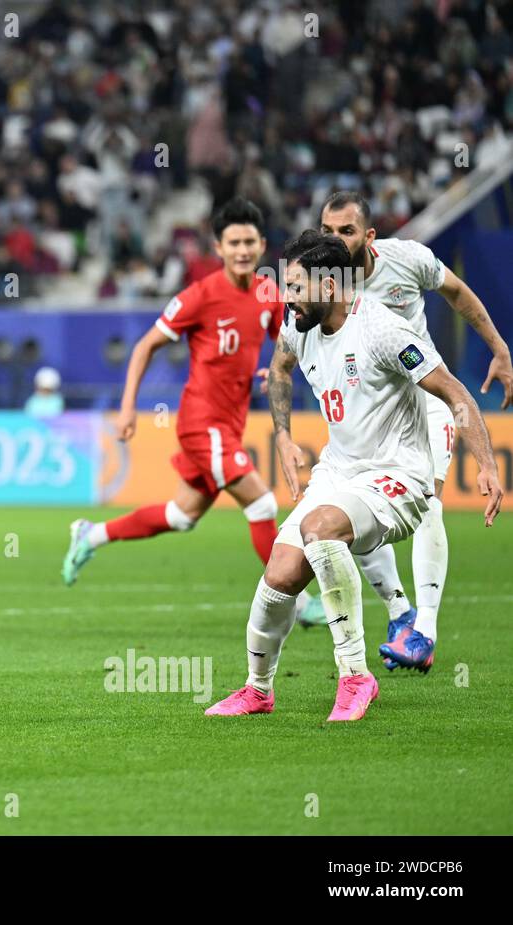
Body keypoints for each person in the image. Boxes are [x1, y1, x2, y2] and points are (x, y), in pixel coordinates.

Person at [206, 231, 502, 722]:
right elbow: (279, 370)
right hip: (339, 473)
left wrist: (487, 464)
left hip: (398, 479)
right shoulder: (298, 323)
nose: (287, 297)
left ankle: (356, 677)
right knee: (279, 573)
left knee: (320, 530)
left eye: (296, 286)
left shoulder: (382, 331)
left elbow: (456, 395)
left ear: (328, 285)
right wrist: (282, 435)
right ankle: (257, 691)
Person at [293, 191, 513, 674]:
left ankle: (425, 633)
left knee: (428, 501)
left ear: (368, 236)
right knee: (342, 515)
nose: (335, 240)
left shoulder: (407, 260)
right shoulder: (319, 285)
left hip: (423, 401)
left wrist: (498, 348)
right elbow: (283, 357)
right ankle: (400, 614)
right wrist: (285, 432)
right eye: (327, 231)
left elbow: (457, 293)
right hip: (363, 412)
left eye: (345, 231)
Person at [62, 198, 280, 585]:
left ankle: (90, 534)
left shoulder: (268, 293)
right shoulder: (200, 296)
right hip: (202, 423)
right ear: (219, 249)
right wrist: (127, 408)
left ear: (262, 245)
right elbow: (145, 346)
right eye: (234, 243)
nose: (243, 251)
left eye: (249, 242)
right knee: (262, 502)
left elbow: (288, 344)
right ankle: (294, 601)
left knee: (182, 515)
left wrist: (277, 368)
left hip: (231, 425)